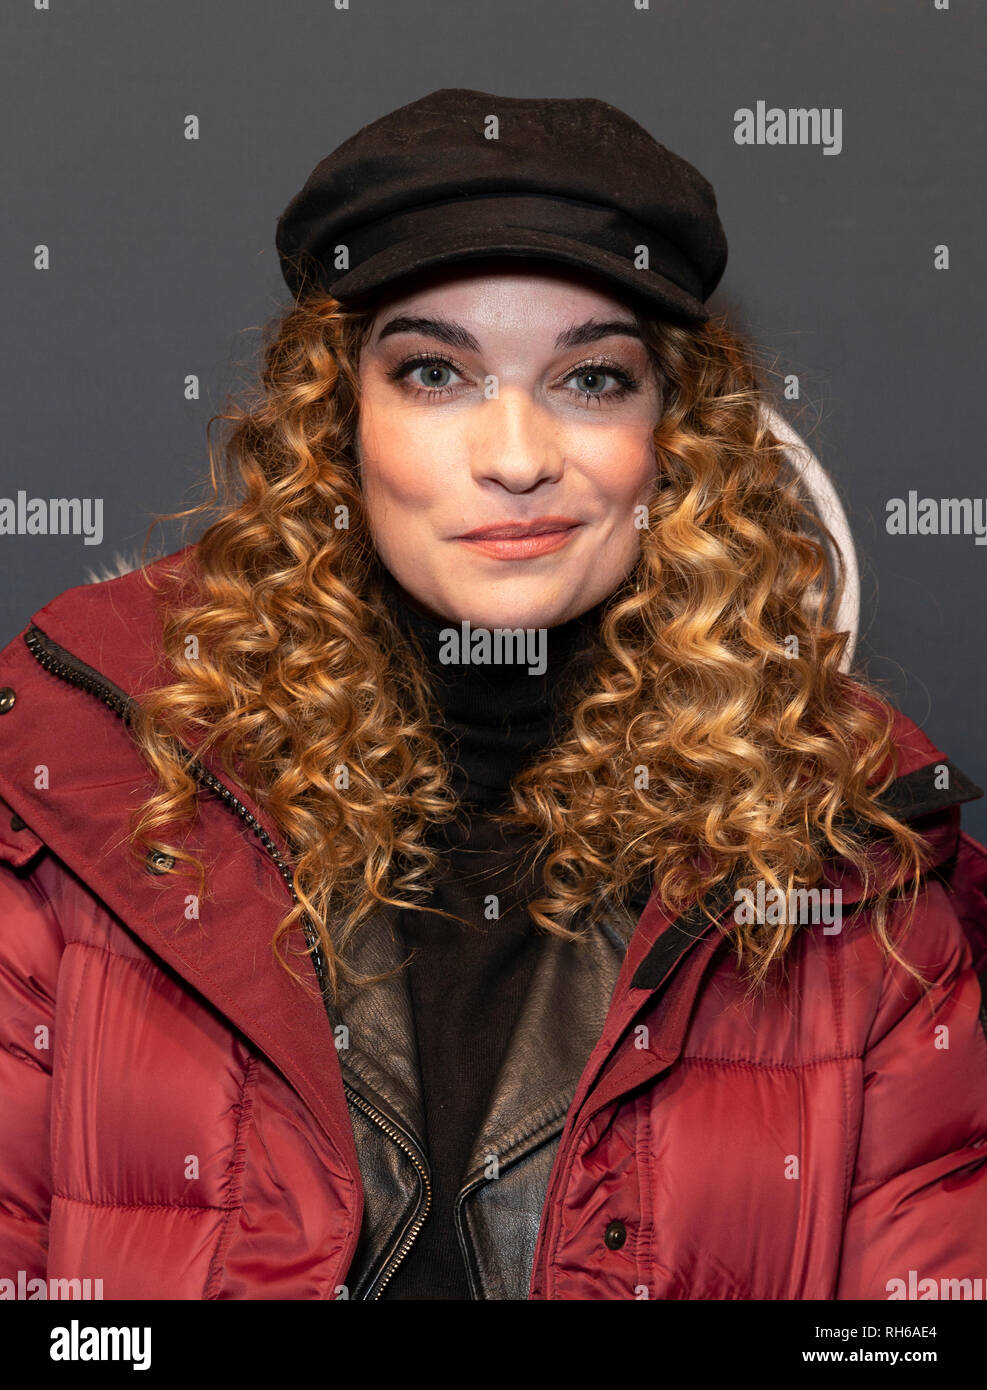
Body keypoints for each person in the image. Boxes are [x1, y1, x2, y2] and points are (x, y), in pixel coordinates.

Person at [1, 87, 986, 1303]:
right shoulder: (94, 795)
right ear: (336, 422)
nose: (517, 454)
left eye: (591, 378)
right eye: (435, 372)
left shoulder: (849, 860)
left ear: (673, 436)